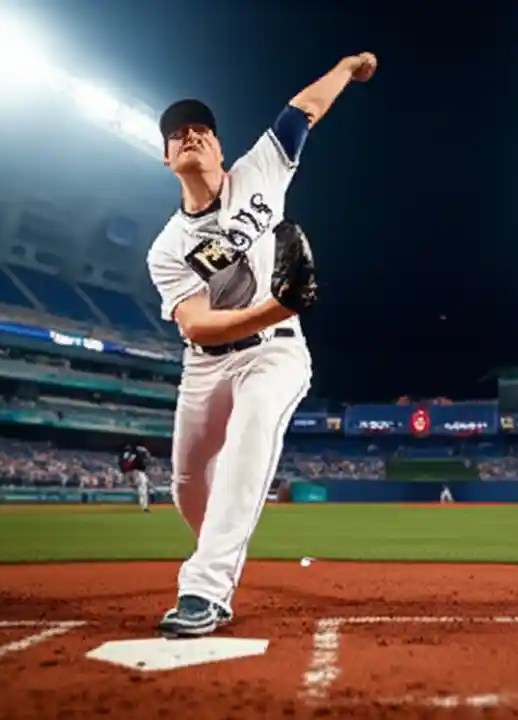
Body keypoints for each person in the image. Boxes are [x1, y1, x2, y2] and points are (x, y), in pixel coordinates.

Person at [147, 52, 378, 637]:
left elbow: (305, 110)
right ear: (167, 158)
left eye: (201, 128)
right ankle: (220, 550)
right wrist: (279, 301)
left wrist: (348, 69)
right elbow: (196, 325)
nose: (190, 134)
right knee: (187, 481)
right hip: (206, 366)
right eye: (177, 133)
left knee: (251, 433)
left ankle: (205, 588)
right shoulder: (167, 248)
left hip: (274, 352)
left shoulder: (258, 172)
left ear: (220, 148)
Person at [117, 442, 152, 512]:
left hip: (134, 472)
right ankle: (144, 505)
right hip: (136, 472)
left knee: (143, 487)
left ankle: (144, 505)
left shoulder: (133, 455)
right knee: (142, 487)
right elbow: (129, 464)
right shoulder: (134, 455)